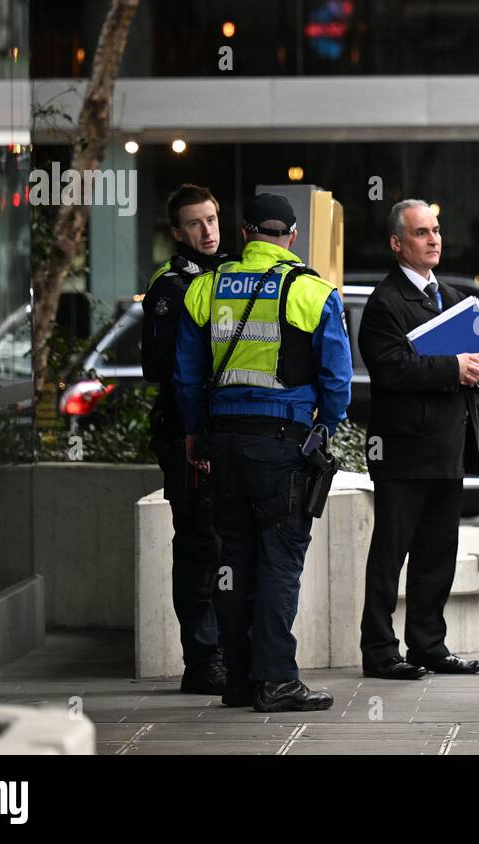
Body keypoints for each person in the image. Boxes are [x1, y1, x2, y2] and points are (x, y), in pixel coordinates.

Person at [175, 193, 352, 712]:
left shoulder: (205, 289)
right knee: (279, 563)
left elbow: (188, 376)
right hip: (283, 446)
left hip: (223, 446)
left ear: (245, 232)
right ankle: (276, 680)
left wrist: (193, 433)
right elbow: (336, 381)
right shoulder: (313, 292)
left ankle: (238, 680)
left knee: (233, 562)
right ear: (292, 238)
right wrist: (326, 429)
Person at [358, 199, 479, 679]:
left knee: (439, 551)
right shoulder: (384, 303)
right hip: (404, 448)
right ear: (398, 243)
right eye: (421, 233)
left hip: (448, 446)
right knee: (391, 553)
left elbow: (475, 362)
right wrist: (453, 367)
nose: (434, 239)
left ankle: (428, 645)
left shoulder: (455, 298)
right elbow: (391, 369)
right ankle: (378, 651)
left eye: (436, 230)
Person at [140, 184, 229, 695]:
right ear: (177, 232)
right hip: (185, 433)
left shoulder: (232, 275)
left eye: (212, 219)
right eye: (195, 224)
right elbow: (158, 367)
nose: (207, 231)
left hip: (228, 433)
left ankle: (226, 652)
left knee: (227, 546)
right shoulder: (172, 287)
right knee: (199, 545)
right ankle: (203, 660)